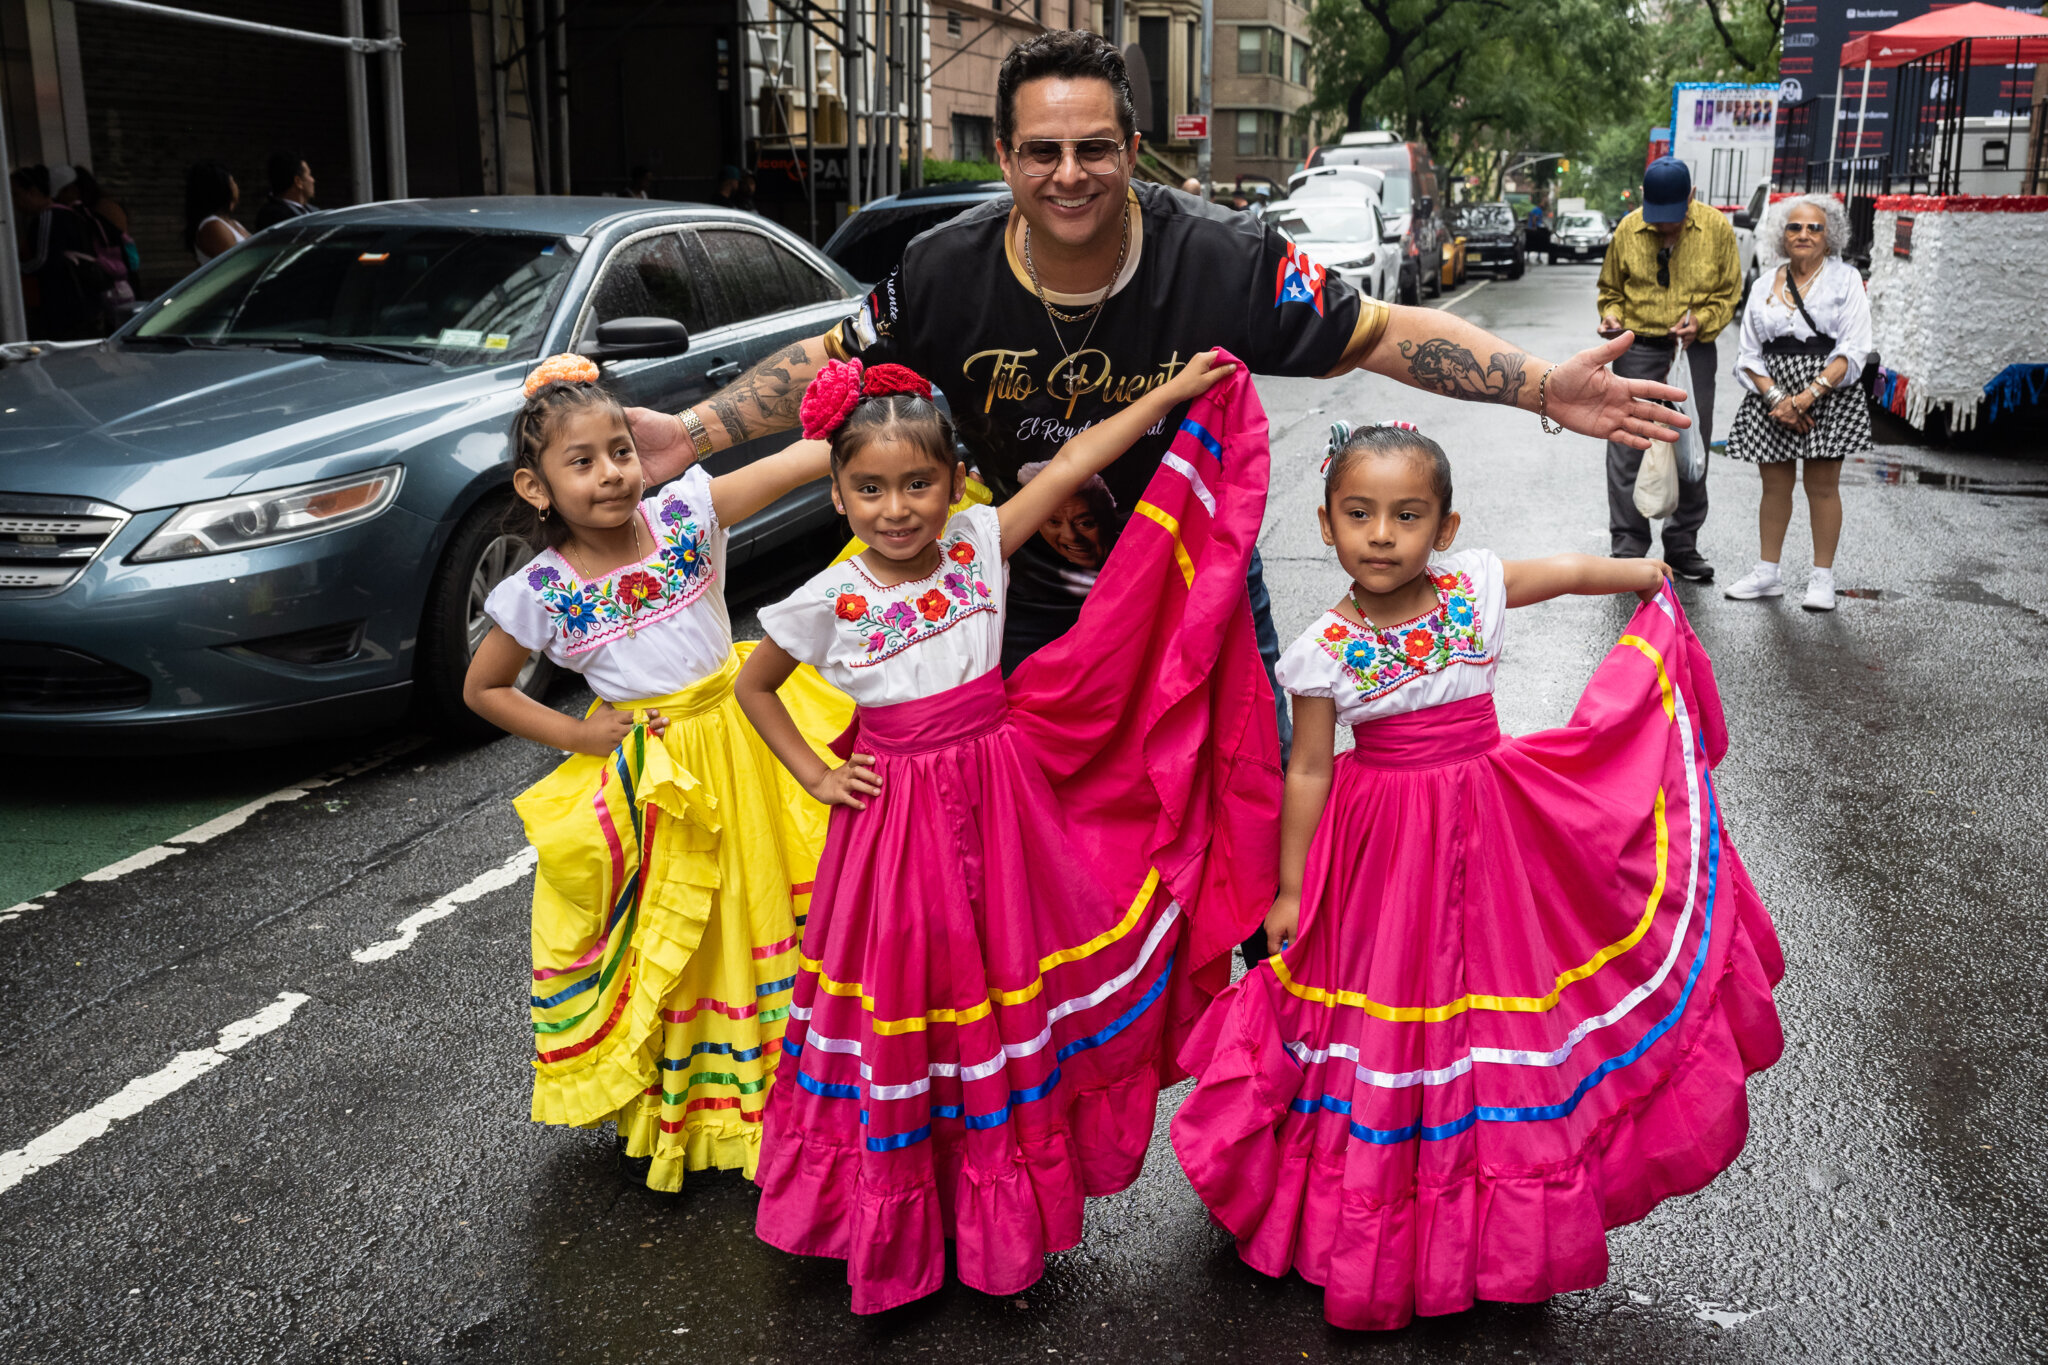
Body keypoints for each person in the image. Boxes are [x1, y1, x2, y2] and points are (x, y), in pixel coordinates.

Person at [627, 31, 1688, 685]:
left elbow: (1378, 333)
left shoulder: (1226, 259)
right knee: (1045, 837)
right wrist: (689, 431)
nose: (1069, 173)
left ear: (1133, 152)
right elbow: (831, 357)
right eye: (1042, 151)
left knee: (1244, 816)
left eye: (1094, 148)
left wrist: (1538, 385)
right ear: (1004, 157)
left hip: (1199, 587)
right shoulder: (944, 270)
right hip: (1027, 595)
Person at [1171, 421, 1786, 1331]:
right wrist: (1294, 888)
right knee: (1384, 1009)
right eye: (1359, 514)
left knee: (1495, 998)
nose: (1382, 535)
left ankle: (1495, 1226)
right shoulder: (1320, 648)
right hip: (1380, 852)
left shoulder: (1474, 587)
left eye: (1407, 515)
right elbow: (1307, 770)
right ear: (1326, 524)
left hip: (1493, 830)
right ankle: (1382, 1215)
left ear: (1444, 527)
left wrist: (1641, 573)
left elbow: (1565, 572)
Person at [736, 349, 1262, 1311]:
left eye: (917, 484)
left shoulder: (980, 541)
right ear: (839, 495)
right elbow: (753, 686)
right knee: (915, 986)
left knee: (1001, 976)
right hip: (895, 827)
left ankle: (992, 1186)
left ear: (953, 482)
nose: (897, 509)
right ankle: (906, 1193)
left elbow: (1076, 461)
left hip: (1002, 800)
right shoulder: (825, 599)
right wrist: (816, 773)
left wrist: (1176, 391)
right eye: (870, 489)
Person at [462, 354, 850, 1192]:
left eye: (620, 451)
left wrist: (870, 433)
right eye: (582, 461)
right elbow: (484, 688)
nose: (610, 473)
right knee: (695, 932)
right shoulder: (544, 589)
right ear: (535, 488)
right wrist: (582, 735)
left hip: (747, 742)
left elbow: (797, 464)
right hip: (663, 777)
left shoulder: (684, 512)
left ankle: (807, 1088)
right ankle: (719, 1103)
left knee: (767, 900)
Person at [1722, 195, 1872, 612]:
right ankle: (1767, 574)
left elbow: (1854, 348)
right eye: (1794, 227)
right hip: (1772, 395)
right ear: (1781, 234)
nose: (1803, 234)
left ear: (1829, 235)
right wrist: (1777, 398)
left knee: (1822, 488)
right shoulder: (1762, 284)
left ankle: (1822, 579)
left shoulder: (1846, 279)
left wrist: (1807, 397)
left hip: (1828, 390)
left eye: (1814, 228)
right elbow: (1748, 353)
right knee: (1773, 487)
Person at [1596, 156, 1740, 583]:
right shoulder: (1628, 229)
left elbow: (1729, 292)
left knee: (1689, 443)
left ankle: (1682, 546)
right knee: (1626, 446)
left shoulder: (1716, 228)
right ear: (1644, 198)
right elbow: (1610, 289)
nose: (1664, 225)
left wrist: (1702, 322)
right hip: (1636, 347)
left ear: (1691, 197)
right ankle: (1628, 548)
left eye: (1672, 216)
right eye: (1656, 215)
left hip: (1692, 350)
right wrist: (1610, 315)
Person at [10, 165, 103, 340]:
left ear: (33, 192)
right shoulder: (72, 215)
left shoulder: (49, 216)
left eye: (16, 195)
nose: (14, 203)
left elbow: (42, 260)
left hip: (62, 302)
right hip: (80, 302)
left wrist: (13, 271)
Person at [57, 165, 141, 299]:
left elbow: (115, 244)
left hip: (116, 277)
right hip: (117, 274)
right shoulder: (98, 209)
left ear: (75, 189)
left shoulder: (97, 211)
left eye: (64, 191)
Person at [185, 161, 248, 264]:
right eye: (232, 181)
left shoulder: (234, 223)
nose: (236, 186)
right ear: (224, 188)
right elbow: (239, 264)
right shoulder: (212, 225)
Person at [251, 152, 317, 231]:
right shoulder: (274, 216)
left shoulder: (313, 211)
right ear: (298, 181)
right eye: (309, 175)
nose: (313, 180)